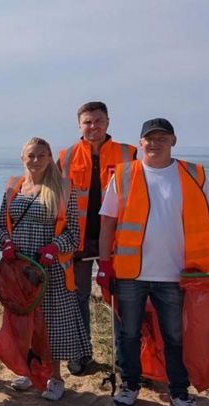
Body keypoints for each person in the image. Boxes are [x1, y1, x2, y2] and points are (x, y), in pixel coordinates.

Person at [98, 118, 209, 406]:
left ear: (173, 141)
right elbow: (108, 223)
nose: (155, 143)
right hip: (131, 274)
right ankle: (130, 386)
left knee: (175, 337)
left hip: (176, 276)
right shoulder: (124, 174)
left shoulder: (193, 174)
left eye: (162, 138)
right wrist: (105, 265)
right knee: (129, 334)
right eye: (149, 138)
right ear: (140, 142)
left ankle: (179, 393)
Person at [0, 137, 89, 400]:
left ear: (49, 158)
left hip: (51, 270)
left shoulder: (64, 188)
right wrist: (6, 243)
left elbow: (74, 234)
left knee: (51, 325)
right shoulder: (13, 186)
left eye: (41, 155)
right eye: (31, 155)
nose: (35, 160)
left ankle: (55, 378)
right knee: (23, 323)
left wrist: (54, 248)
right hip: (19, 270)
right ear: (22, 158)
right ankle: (27, 371)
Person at [58, 102, 137, 375]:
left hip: (116, 241)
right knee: (78, 298)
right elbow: (56, 198)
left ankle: (124, 362)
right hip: (77, 241)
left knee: (119, 300)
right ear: (79, 125)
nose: (94, 126)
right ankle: (81, 355)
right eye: (88, 122)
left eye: (99, 121)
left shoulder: (128, 153)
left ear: (108, 122)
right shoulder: (66, 156)